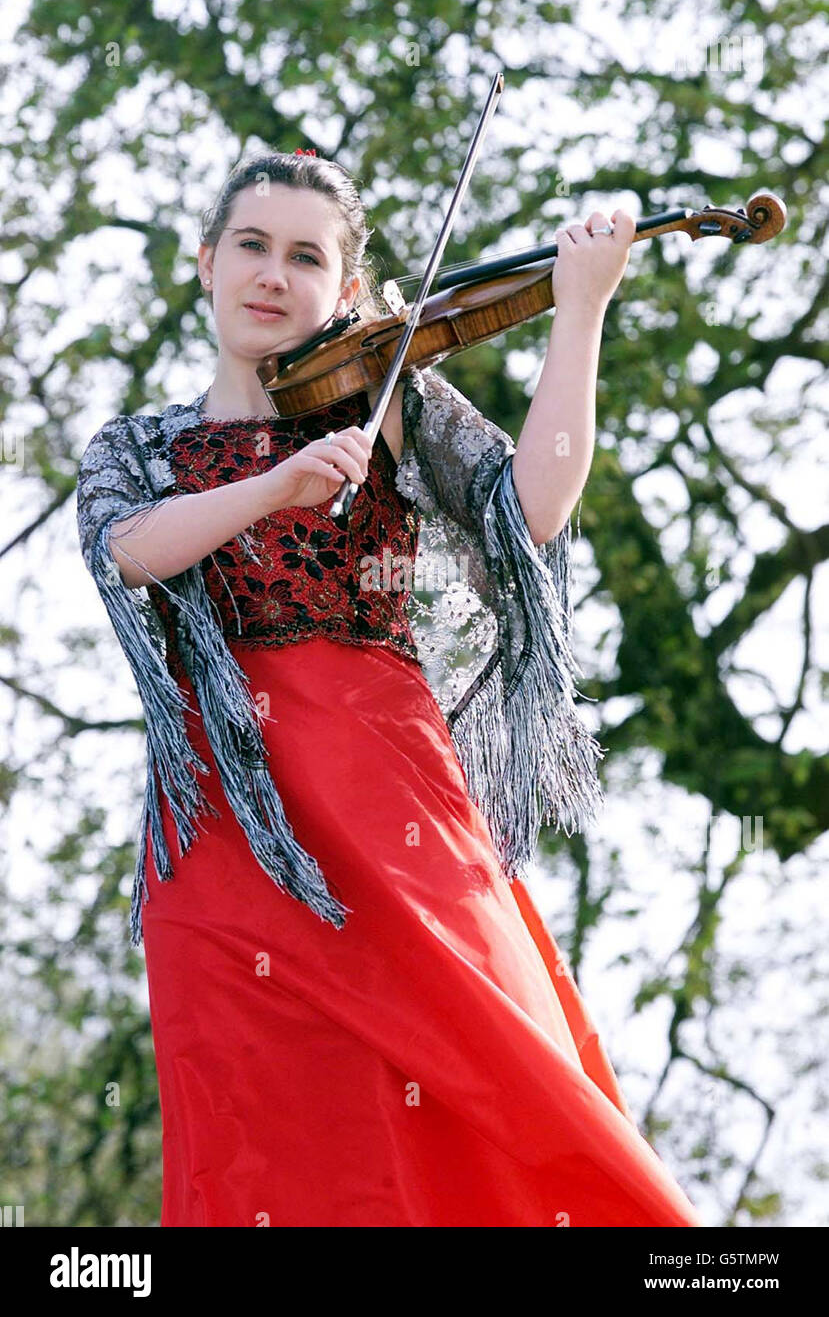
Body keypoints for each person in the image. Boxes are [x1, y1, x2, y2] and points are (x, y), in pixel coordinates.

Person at [75, 148, 702, 1227]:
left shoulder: (388, 401)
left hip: (394, 801)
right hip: (230, 839)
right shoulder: (136, 447)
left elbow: (536, 501)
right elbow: (129, 550)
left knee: (504, 1069)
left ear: (349, 293)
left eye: (306, 256)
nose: (274, 274)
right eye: (253, 246)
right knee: (269, 1135)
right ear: (204, 263)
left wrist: (579, 310)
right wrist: (274, 483)